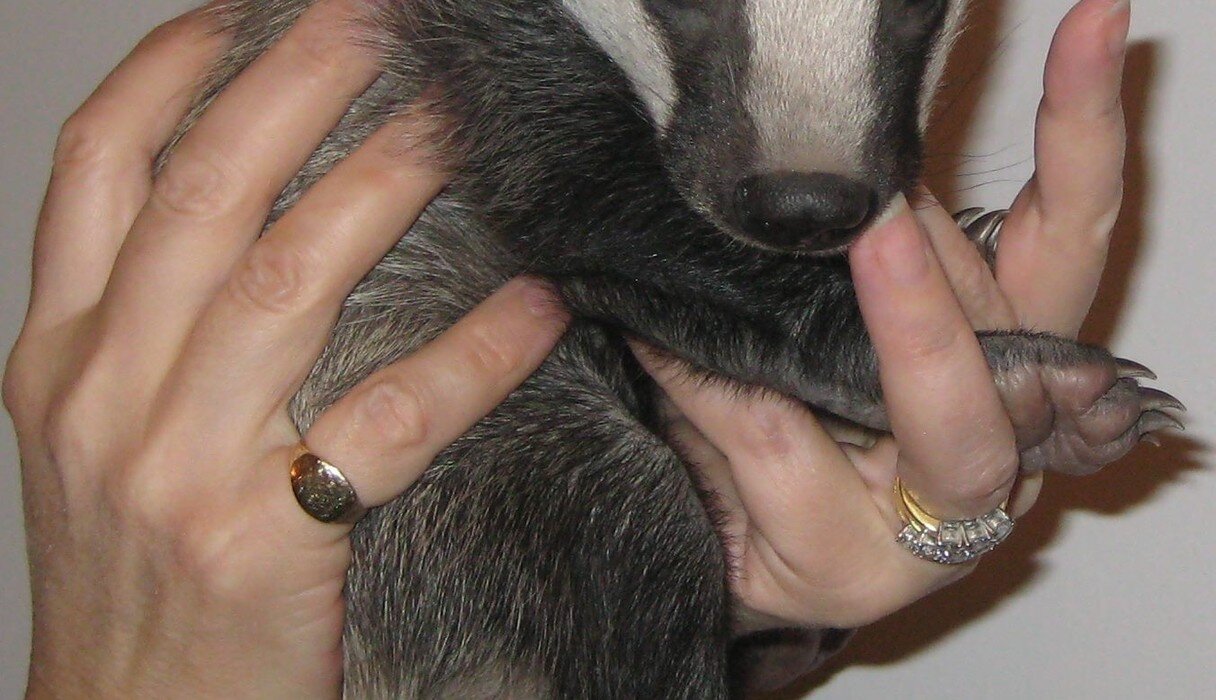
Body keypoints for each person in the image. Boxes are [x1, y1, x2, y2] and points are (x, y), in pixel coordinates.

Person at [4, 0, 1133, 696]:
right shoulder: (488, 34)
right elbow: (577, 209)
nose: (812, 168)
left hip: (472, 521)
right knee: (616, 491)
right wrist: (839, 342)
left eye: (899, 20)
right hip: (413, 499)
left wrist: (764, 585)